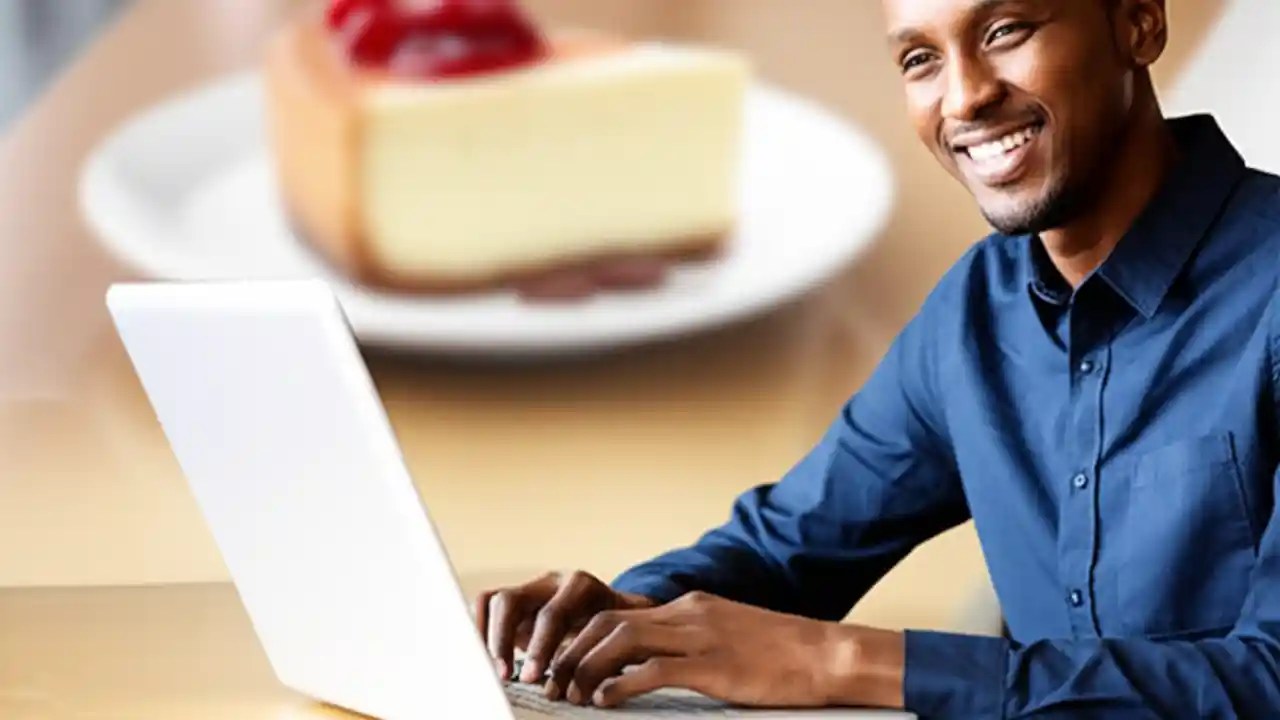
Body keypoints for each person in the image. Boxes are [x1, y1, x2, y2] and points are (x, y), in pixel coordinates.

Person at [476, 0, 1280, 716]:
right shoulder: (976, 312)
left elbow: (1270, 679)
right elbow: (784, 548)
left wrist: (839, 660)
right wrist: (622, 611)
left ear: (1139, 21)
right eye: (920, 59)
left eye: (1005, 32)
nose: (964, 98)